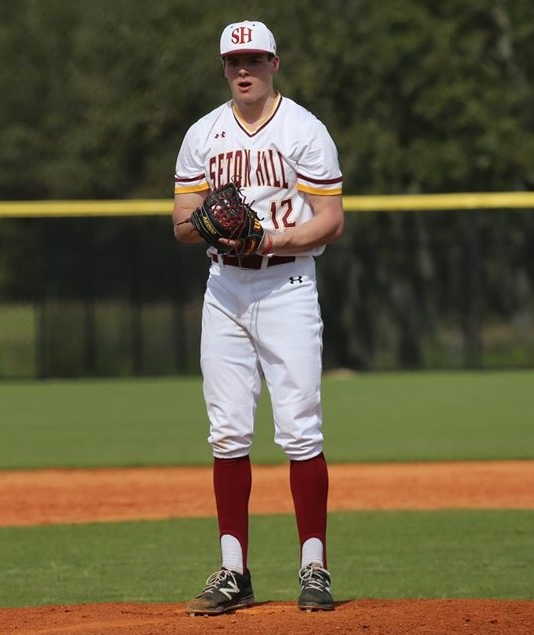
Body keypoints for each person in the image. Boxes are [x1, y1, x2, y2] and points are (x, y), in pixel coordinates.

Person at [171, 19, 345, 616]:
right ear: (224, 68)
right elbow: (181, 222)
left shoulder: (304, 129)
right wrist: (208, 226)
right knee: (227, 433)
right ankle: (232, 571)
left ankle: (314, 567)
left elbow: (331, 218)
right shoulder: (204, 135)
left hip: (287, 284)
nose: (243, 69)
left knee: (300, 430)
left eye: (254, 58)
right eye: (233, 61)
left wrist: (269, 237)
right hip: (225, 288)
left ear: (274, 63)